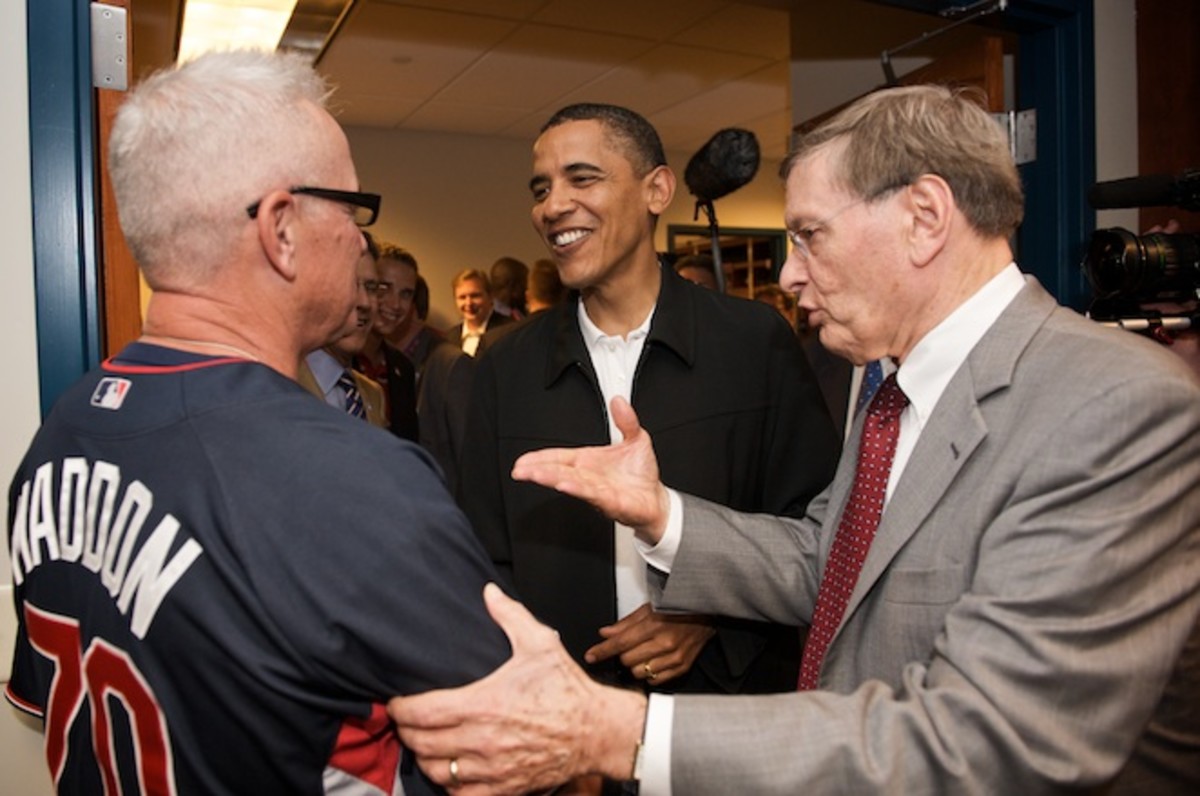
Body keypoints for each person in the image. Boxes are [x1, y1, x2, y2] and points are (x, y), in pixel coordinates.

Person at [389, 85, 1200, 795]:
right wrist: (663, 513)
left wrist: (621, 734)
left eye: (810, 235)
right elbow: (830, 564)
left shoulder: (1116, 406)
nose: (788, 274)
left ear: (924, 217)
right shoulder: (891, 390)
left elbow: (990, 742)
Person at [4, 50, 510, 794]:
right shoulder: (357, 485)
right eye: (349, 207)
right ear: (280, 228)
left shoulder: (62, 434)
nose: (362, 240)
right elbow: (522, 762)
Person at [456, 101, 840, 709]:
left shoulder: (752, 344)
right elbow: (478, 554)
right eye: (541, 187)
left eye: (582, 178)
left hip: (723, 715)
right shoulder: (505, 368)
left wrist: (707, 614)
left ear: (656, 189)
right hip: (564, 719)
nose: (552, 206)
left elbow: (812, 529)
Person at [374, 244, 473, 493]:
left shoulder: (401, 369)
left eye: (406, 294)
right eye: (384, 288)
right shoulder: (337, 361)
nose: (395, 304)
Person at [299, 243, 389, 428]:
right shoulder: (280, 381)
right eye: (350, 285)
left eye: (371, 287)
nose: (364, 302)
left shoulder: (373, 396)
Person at [449, 268, 512, 357]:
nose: (469, 303)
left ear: (490, 296)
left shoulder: (509, 331)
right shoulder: (449, 338)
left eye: (475, 296)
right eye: (462, 297)